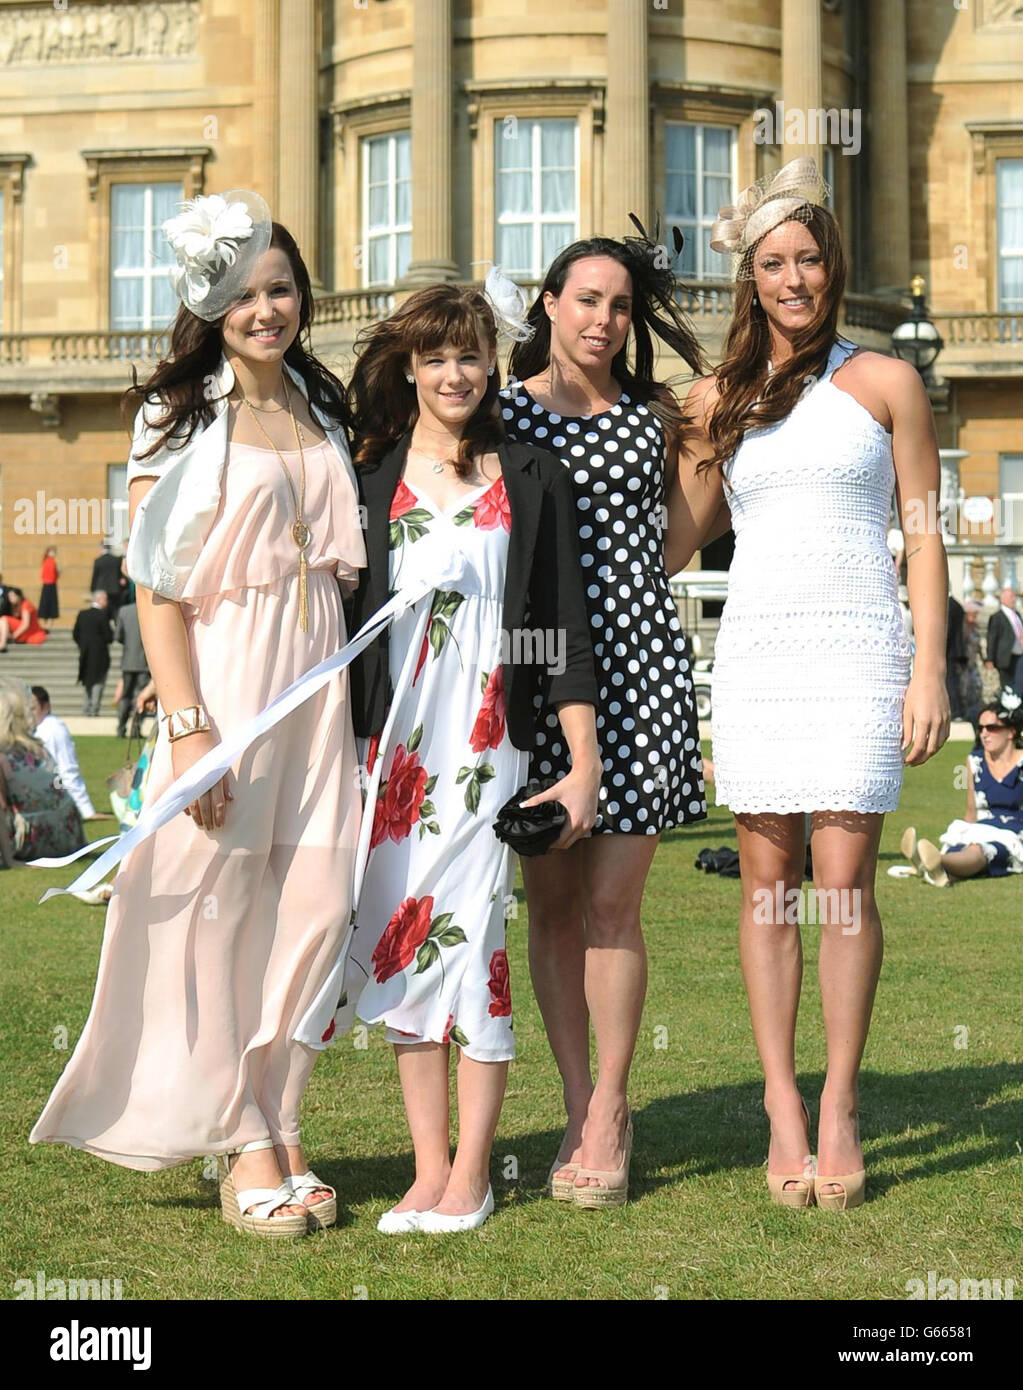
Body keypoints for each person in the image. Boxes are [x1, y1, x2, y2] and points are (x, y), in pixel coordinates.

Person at [31, 190, 366, 1240]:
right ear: (209, 305)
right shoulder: (180, 415)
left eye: (280, 287)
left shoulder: (322, 401)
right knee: (218, 907)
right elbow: (157, 588)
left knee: (315, 905)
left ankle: (282, 1112)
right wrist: (188, 724)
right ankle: (244, 1138)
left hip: (321, 679)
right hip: (229, 679)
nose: (265, 308)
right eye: (242, 292)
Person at [673, 158, 950, 1210]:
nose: (794, 279)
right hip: (757, 656)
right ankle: (780, 1104)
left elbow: (921, 537)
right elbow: (675, 539)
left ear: (832, 269)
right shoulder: (718, 400)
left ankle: (838, 1103)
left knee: (844, 886)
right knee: (765, 885)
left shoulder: (886, 384)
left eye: (809, 260)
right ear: (750, 279)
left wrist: (928, 668)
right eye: (773, 264)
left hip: (858, 650)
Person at [332, 278, 599, 1233]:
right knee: (403, 945)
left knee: (475, 945)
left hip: (490, 748)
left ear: (493, 364)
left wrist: (580, 762)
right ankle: (427, 1165)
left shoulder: (531, 474)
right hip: (394, 752)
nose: (454, 372)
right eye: (435, 355)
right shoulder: (366, 477)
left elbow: (563, 628)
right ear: (408, 366)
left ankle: (474, 1172)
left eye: (470, 354)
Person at [500, 223, 707, 1207]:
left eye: (621, 306)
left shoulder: (656, 416)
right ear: (548, 304)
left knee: (614, 907)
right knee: (549, 908)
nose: (604, 319)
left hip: (642, 676)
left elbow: (680, 533)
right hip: (538, 680)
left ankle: (614, 1110)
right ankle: (579, 1102)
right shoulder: (500, 417)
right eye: (587, 299)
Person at [901, 695, 1023, 885]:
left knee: (979, 850)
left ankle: (935, 863)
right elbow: (971, 810)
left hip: (1013, 833)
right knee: (961, 847)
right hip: (981, 827)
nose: (984, 734)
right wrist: (963, 832)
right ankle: (938, 870)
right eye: (980, 728)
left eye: (992, 728)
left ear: (1011, 732)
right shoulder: (974, 761)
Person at [0, 676, 85, 865]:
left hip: (32, 840)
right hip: (68, 834)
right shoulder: (39, 749)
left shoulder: (4, 756)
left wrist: (9, 860)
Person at [28, 685, 109, 822]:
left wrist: (85, 810)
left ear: (46, 707)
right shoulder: (40, 729)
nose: (29, 714)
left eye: (33, 709)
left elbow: (67, 769)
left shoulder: (52, 731)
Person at [113, 599, 151, 737]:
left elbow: (118, 636)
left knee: (126, 696)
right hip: (145, 662)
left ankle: (121, 727)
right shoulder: (149, 609)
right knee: (142, 696)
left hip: (128, 661)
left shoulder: (124, 611)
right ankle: (136, 727)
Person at [72, 592, 111, 715]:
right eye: (105, 599)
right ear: (99, 600)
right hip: (100, 655)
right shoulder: (102, 615)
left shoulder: (82, 614)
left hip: (85, 654)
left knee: (87, 682)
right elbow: (109, 636)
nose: (107, 602)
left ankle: (86, 707)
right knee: (98, 682)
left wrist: (83, 645)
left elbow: (75, 634)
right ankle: (94, 708)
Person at [985, 587, 1023, 696]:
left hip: (1019, 656)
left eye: (1014, 596)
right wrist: (990, 659)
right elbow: (992, 638)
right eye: (1011, 597)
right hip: (1005, 658)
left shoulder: (1017, 615)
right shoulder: (997, 617)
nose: (1014, 599)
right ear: (1003, 599)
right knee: (1007, 687)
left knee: (1019, 685)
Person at [89, 541, 127, 624]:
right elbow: (121, 575)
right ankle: (117, 626)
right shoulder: (116, 560)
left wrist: (92, 589)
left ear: (101, 548)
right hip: (115, 590)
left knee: (103, 610)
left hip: (102, 590)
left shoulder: (98, 560)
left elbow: (95, 577)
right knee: (115, 610)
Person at [38, 547, 60, 627]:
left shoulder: (47, 561)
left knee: (47, 604)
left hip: (48, 584)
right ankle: (48, 623)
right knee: (50, 604)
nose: (54, 554)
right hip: (49, 584)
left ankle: (48, 623)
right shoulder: (50, 562)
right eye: (52, 552)